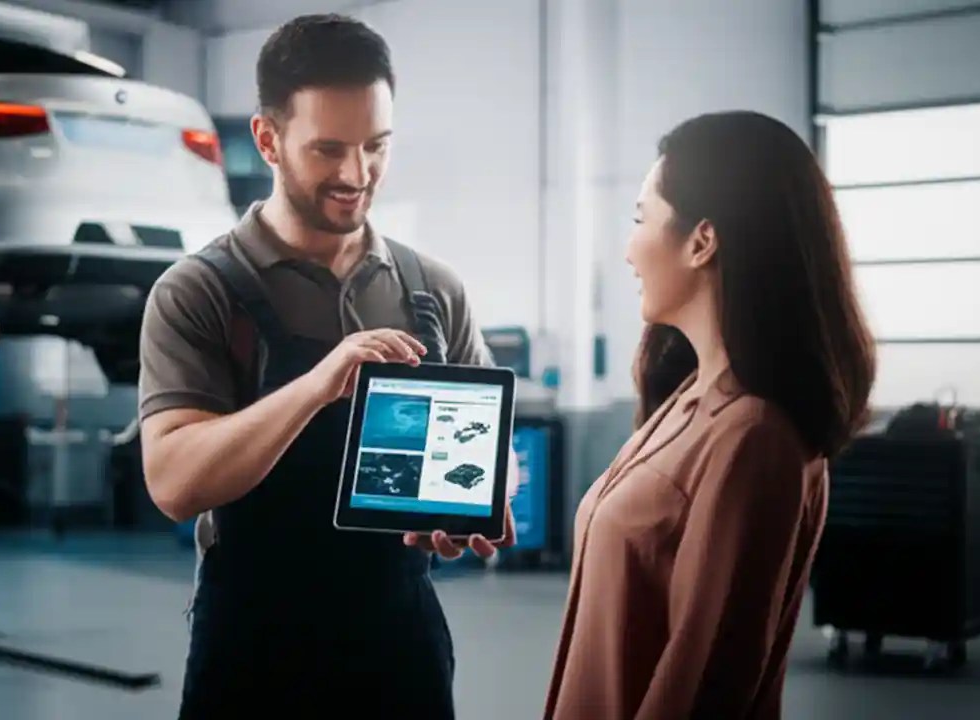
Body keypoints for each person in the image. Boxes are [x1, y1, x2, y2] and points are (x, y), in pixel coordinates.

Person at [136, 14, 514, 719]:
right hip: (255, 649)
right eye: (329, 149)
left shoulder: (429, 288)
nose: (356, 174)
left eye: (377, 146)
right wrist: (319, 384)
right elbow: (174, 482)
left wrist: (483, 502)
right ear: (268, 139)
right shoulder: (199, 291)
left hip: (401, 641)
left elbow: (490, 448)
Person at [543, 111, 876, 719]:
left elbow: (703, 685)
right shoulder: (690, 398)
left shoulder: (753, 437)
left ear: (702, 240)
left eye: (641, 218)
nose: (628, 250)